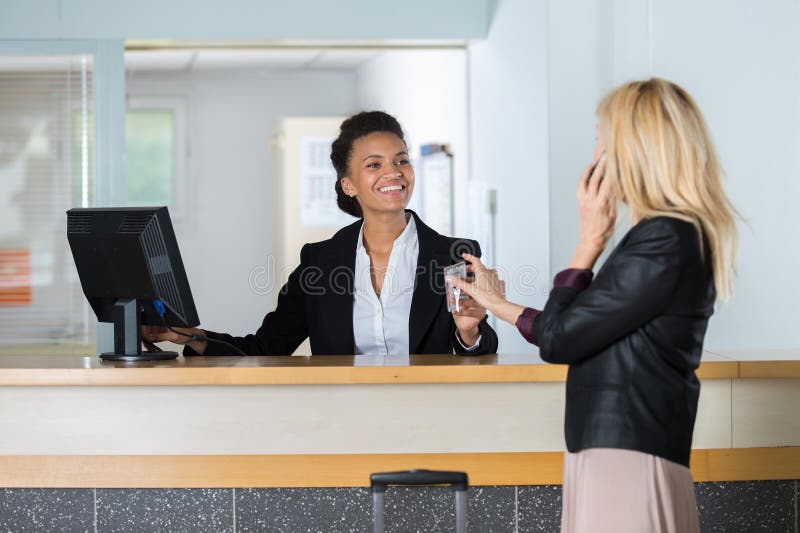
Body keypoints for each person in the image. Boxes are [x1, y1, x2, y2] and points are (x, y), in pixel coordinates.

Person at [447, 78, 738, 533]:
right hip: (621, 450)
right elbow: (576, 329)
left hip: (627, 453)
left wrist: (588, 243)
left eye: (603, 139)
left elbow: (560, 340)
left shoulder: (664, 239)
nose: (596, 153)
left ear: (634, 149)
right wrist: (496, 303)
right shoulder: (664, 237)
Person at [145, 111, 498, 356]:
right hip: (341, 419)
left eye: (401, 160)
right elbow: (267, 347)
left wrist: (468, 333)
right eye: (374, 165)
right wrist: (188, 336)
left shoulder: (456, 255)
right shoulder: (321, 261)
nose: (394, 172)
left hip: (434, 416)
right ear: (348, 185)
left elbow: (480, 348)